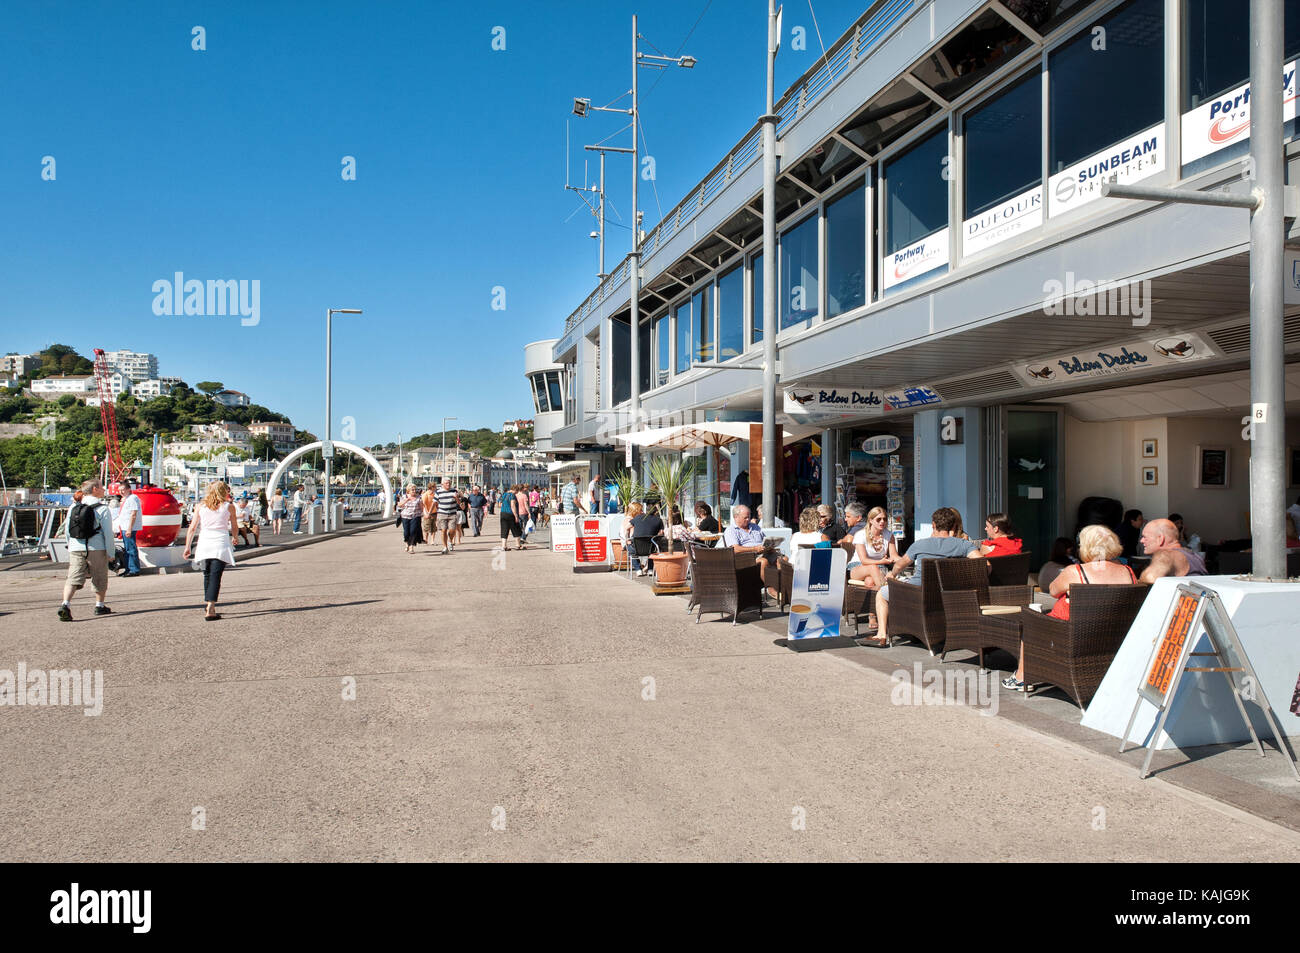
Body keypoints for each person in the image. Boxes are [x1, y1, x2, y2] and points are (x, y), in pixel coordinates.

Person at [1003, 525, 1138, 691]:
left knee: (1030, 622)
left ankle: (1021, 677)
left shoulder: (1076, 571)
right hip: (1113, 633)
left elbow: (1052, 591)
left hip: (1074, 631)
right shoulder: (1128, 572)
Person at [871, 507, 977, 648]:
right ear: (953, 526)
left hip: (916, 594)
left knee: (881, 594)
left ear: (933, 525)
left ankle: (882, 634)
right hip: (948, 596)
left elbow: (900, 565)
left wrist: (892, 574)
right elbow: (984, 565)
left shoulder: (920, 544)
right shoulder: (964, 545)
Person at [57, 480, 116, 622]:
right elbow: (108, 532)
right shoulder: (102, 508)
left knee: (73, 577)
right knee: (99, 576)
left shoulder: (74, 506)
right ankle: (99, 605)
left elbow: (67, 529)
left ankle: (65, 604)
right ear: (95, 489)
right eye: (102, 487)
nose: (103, 490)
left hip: (76, 546)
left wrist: (70, 545)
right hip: (96, 547)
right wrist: (111, 553)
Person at [183, 481, 239, 621]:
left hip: (204, 541)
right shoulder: (228, 506)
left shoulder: (200, 506)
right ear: (223, 491)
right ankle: (211, 607)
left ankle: (208, 602)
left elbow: (192, 527)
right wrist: (235, 537)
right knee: (215, 575)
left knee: (207, 573)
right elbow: (234, 525)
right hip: (220, 542)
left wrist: (187, 546)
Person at [1139, 517, 1207, 582]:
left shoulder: (1166, 554)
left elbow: (1150, 577)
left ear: (1160, 539)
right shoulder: (1195, 556)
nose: (1141, 540)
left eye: (1145, 537)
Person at [848, 506, 900, 587]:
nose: (882, 521)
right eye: (878, 519)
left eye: (884, 519)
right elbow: (864, 560)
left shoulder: (889, 535)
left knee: (870, 582)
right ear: (871, 520)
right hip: (858, 567)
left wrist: (906, 560)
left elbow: (894, 556)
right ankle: (886, 594)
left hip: (879, 568)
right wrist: (882, 561)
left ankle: (877, 598)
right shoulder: (860, 535)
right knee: (873, 568)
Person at [116, 480, 143, 576]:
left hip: (129, 527)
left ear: (128, 489)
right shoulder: (127, 499)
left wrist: (129, 528)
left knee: (131, 548)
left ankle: (134, 569)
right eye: (120, 490)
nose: (121, 492)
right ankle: (128, 568)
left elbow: (133, 514)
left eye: (123, 490)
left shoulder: (132, 498)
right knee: (127, 549)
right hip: (124, 527)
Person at [629, 504, 665, 575]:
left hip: (636, 548)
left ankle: (638, 569)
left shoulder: (638, 517)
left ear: (646, 511)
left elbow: (627, 527)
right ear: (655, 512)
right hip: (650, 548)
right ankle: (650, 569)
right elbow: (661, 533)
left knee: (629, 549)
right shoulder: (658, 520)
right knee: (653, 552)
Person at [435, 478, 459, 553]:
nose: (448, 484)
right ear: (442, 484)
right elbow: (435, 502)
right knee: (443, 530)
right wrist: (437, 510)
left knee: (452, 530)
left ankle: (450, 540)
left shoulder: (454, 491)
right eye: (446, 483)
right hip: (442, 513)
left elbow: (459, 502)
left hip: (452, 513)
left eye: (449, 483)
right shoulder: (438, 492)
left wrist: (456, 498)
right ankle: (445, 547)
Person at [499, 483, 524, 551]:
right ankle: (518, 545)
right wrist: (516, 515)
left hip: (503, 513)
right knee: (516, 529)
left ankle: (504, 546)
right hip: (510, 514)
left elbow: (500, 503)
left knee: (504, 530)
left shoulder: (504, 494)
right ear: (515, 490)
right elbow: (512, 505)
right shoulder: (512, 495)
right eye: (517, 491)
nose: (517, 493)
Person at [399, 485, 422, 554]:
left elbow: (421, 507)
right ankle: (407, 543)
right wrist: (407, 500)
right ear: (408, 490)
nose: (414, 491)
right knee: (406, 532)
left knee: (413, 531)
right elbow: (399, 505)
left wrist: (424, 513)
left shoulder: (419, 497)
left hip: (415, 516)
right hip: (405, 516)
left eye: (415, 490)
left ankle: (411, 546)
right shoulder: (404, 496)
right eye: (412, 490)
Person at [420, 483, 438, 549]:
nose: (436, 488)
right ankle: (426, 540)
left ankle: (432, 540)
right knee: (427, 526)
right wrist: (426, 513)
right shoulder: (425, 495)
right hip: (427, 513)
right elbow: (423, 505)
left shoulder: (434, 494)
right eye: (435, 487)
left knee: (434, 527)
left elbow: (436, 504)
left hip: (434, 512)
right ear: (432, 487)